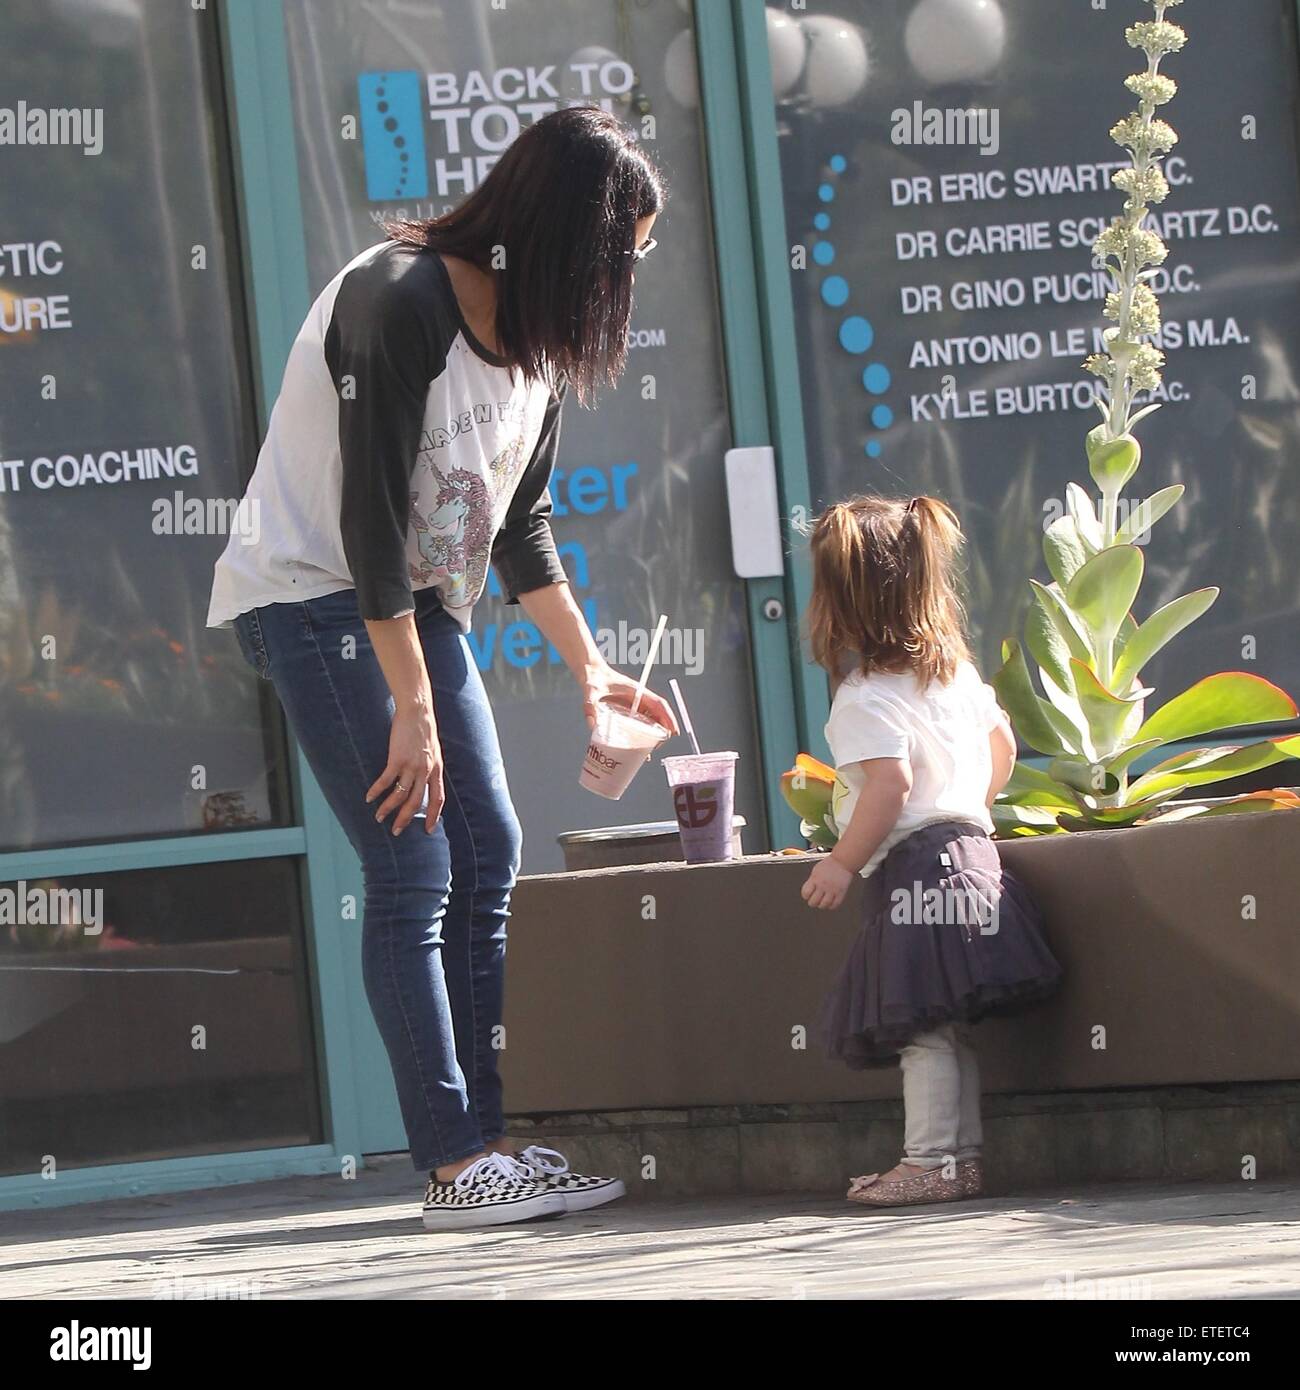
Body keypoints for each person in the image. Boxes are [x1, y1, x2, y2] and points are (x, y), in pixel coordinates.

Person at [207, 108, 676, 1230]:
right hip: (311, 595)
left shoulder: (540, 342)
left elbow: (522, 524)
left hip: (410, 606)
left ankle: (492, 1140)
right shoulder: (397, 302)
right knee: (415, 862)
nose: (630, 276)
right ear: (566, 234)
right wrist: (411, 708)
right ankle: (453, 1159)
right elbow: (369, 523)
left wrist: (591, 671)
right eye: (626, 252)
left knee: (489, 849)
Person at [800, 495, 1061, 1207]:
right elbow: (1001, 750)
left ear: (838, 602)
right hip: (976, 858)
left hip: (916, 866)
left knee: (920, 1026)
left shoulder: (860, 698)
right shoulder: (958, 678)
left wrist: (840, 861)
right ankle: (960, 1159)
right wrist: (969, 808)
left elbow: (890, 786)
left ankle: (930, 1162)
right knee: (947, 1023)